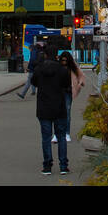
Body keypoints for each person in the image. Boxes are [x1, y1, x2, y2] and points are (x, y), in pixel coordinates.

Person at [32, 46, 71, 175]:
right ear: (56, 55)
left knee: (46, 138)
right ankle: (63, 166)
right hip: (59, 107)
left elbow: (34, 82)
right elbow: (66, 85)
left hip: (43, 107)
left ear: (45, 55)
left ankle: (47, 166)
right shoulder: (62, 70)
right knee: (61, 137)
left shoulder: (39, 69)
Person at [58, 51, 83, 144]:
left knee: (67, 112)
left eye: (65, 60)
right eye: (62, 60)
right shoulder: (57, 67)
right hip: (58, 92)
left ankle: (67, 133)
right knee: (57, 112)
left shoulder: (73, 67)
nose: (64, 61)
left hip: (68, 92)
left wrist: (79, 84)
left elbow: (81, 76)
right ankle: (57, 134)